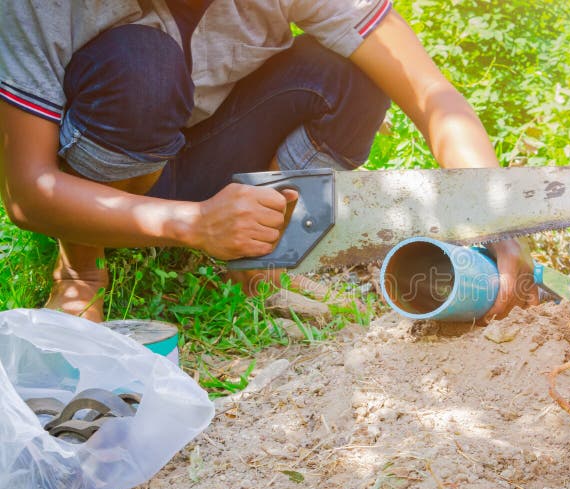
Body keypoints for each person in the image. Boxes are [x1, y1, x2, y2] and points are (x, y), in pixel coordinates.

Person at [0, 0, 537, 324]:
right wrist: (194, 226)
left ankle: (261, 259)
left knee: (351, 75)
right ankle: (82, 273)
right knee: (142, 70)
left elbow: (431, 94)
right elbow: (26, 192)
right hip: (95, 182)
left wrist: (495, 218)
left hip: (207, 153)